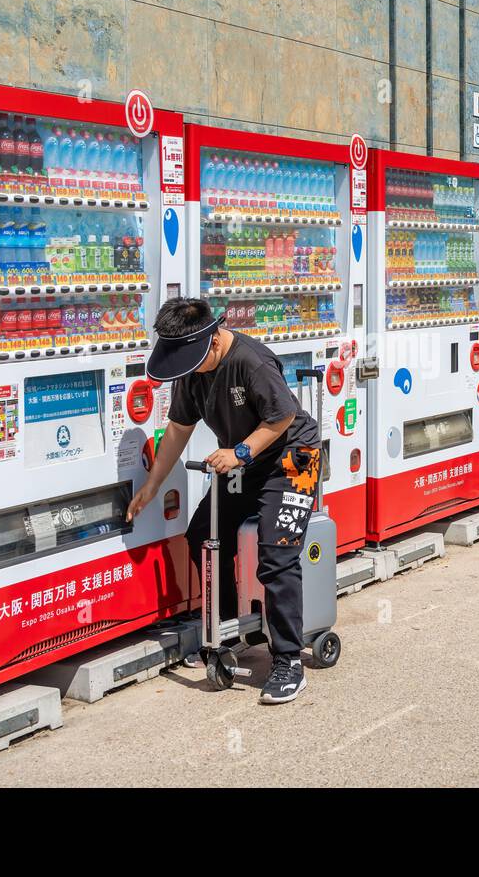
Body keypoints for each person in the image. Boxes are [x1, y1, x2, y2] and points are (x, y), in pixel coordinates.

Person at [127, 298, 322, 703]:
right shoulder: (191, 367)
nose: (189, 368)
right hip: (243, 463)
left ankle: (288, 660)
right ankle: (231, 630)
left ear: (213, 341)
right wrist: (152, 484)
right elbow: (179, 429)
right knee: (203, 536)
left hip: (290, 458)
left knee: (277, 554)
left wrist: (241, 453)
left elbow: (282, 417)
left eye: (194, 358)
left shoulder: (251, 361)